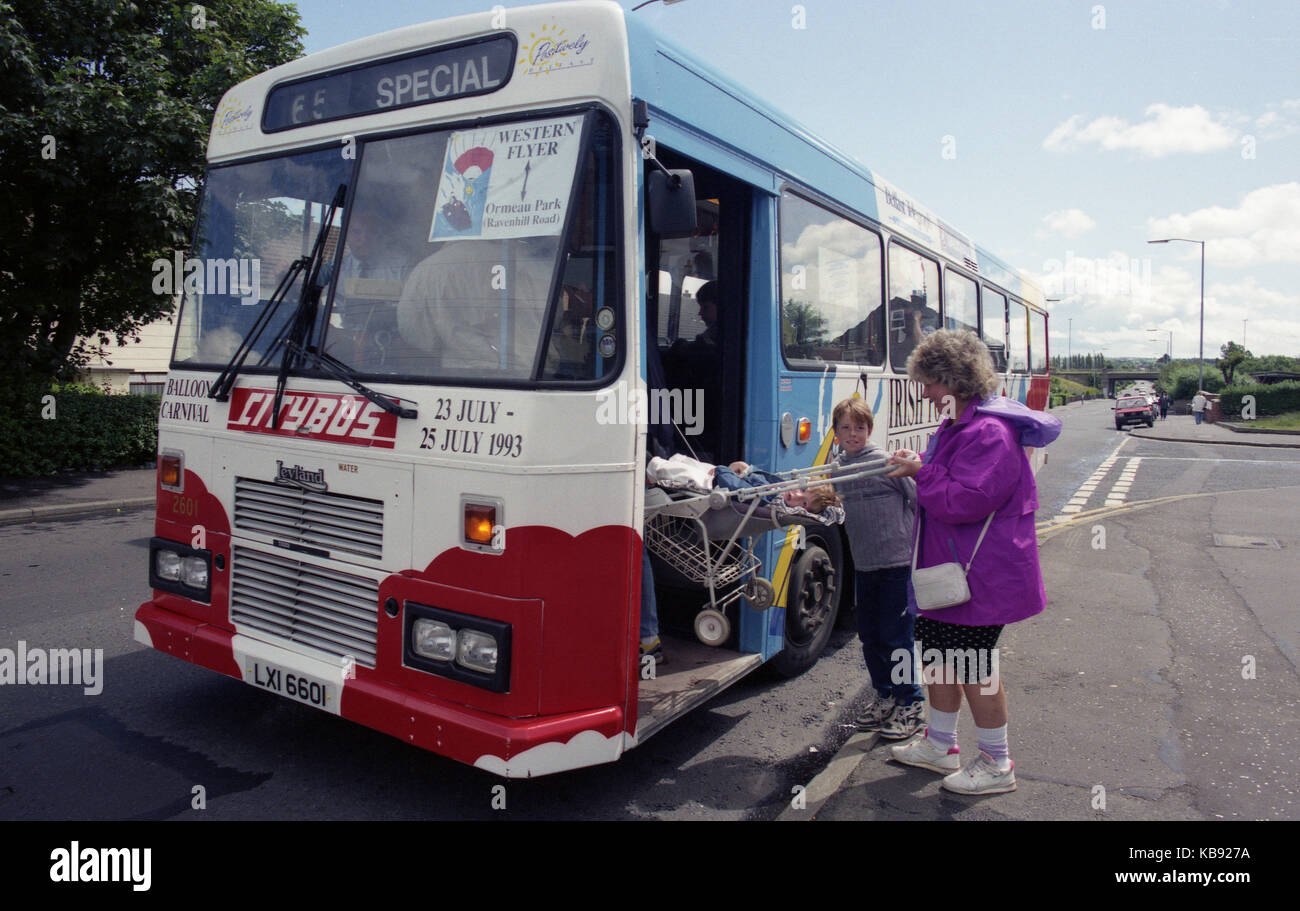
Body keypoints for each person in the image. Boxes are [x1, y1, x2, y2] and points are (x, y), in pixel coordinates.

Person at [884, 329, 1055, 796]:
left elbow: (965, 501)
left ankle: (998, 763)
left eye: (929, 383)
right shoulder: (964, 423)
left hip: (981, 577)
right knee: (940, 656)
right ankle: (940, 744)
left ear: (952, 380)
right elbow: (952, 478)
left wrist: (922, 471)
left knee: (973, 664)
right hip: (956, 572)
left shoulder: (988, 432)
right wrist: (918, 461)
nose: (923, 393)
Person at [831, 397, 922, 740]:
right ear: (836, 432)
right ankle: (885, 694)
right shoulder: (837, 468)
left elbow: (917, 500)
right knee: (869, 636)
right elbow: (835, 508)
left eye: (860, 427)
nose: (853, 434)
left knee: (896, 637)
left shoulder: (887, 462)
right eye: (845, 428)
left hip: (897, 564)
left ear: (870, 430)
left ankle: (910, 701)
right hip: (865, 564)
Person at [647, 453, 839, 513]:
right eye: (802, 489)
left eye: (803, 502)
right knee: (685, 462)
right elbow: (755, 480)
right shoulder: (778, 490)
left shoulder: (768, 498)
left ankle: (649, 474)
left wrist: (724, 470)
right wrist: (747, 469)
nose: (797, 496)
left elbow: (738, 489)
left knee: (673, 470)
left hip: (713, 485)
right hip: (720, 479)